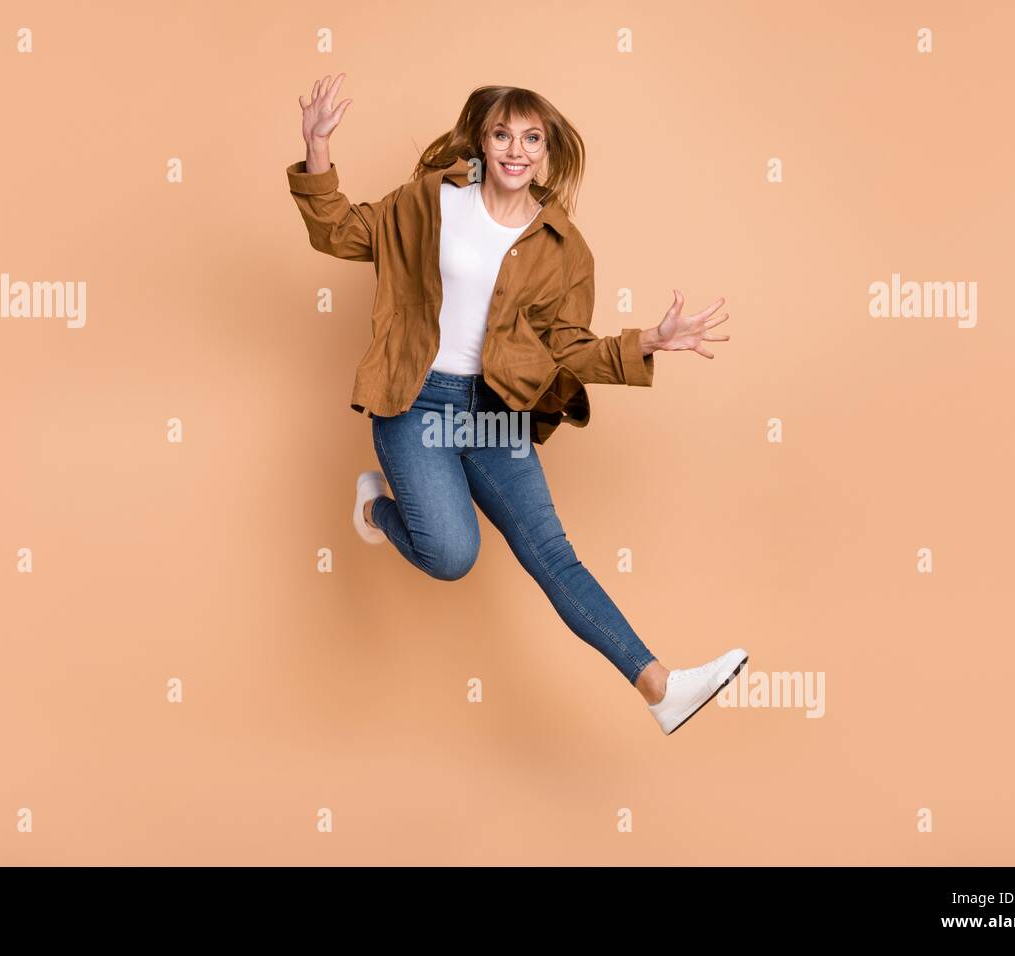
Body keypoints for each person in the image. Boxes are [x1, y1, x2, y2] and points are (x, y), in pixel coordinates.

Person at [288, 73, 746, 735]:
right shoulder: (430, 202)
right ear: (482, 139)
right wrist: (317, 148)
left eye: (532, 138)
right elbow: (338, 233)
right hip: (415, 400)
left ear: (547, 151)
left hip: (495, 412)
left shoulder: (563, 247)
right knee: (452, 556)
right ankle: (375, 507)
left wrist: (645, 341)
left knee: (552, 554)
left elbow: (566, 347)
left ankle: (660, 688)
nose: (516, 149)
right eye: (503, 134)